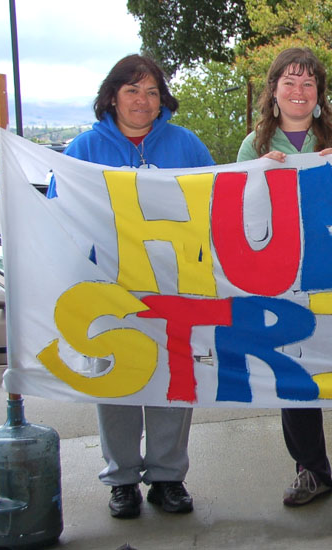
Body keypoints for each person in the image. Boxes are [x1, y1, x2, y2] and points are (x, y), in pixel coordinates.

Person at [47, 54, 214, 518]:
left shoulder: (187, 147)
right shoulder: (83, 150)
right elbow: (58, 218)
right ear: (112, 97)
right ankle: (121, 480)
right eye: (132, 91)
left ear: (163, 99)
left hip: (173, 287)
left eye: (152, 92)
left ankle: (167, 477)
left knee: (172, 379)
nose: (142, 101)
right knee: (114, 382)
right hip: (105, 290)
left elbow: (217, 205)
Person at [236, 47, 332, 507]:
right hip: (283, 280)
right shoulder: (253, 146)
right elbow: (240, 215)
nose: (298, 91)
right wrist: (261, 179)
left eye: (308, 83)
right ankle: (311, 471)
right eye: (289, 82)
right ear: (274, 92)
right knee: (295, 377)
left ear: (318, 95)